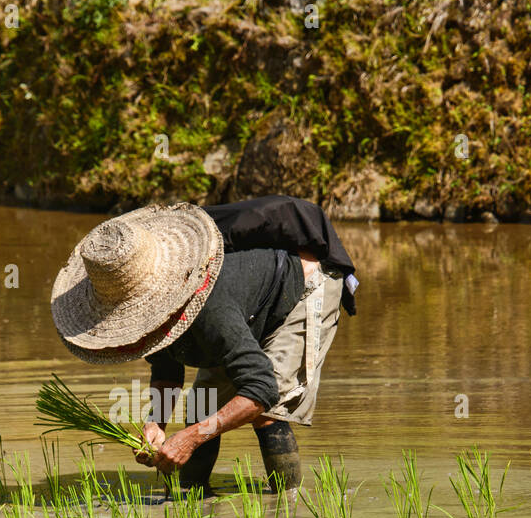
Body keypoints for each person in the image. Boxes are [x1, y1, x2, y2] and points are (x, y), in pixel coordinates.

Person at [49, 196, 357, 492]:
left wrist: (192, 438)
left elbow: (261, 390)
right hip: (245, 308)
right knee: (201, 408)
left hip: (306, 285)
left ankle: (288, 505)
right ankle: (192, 497)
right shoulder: (157, 307)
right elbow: (166, 360)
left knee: (266, 411)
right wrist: (155, 424)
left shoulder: (210, 308)